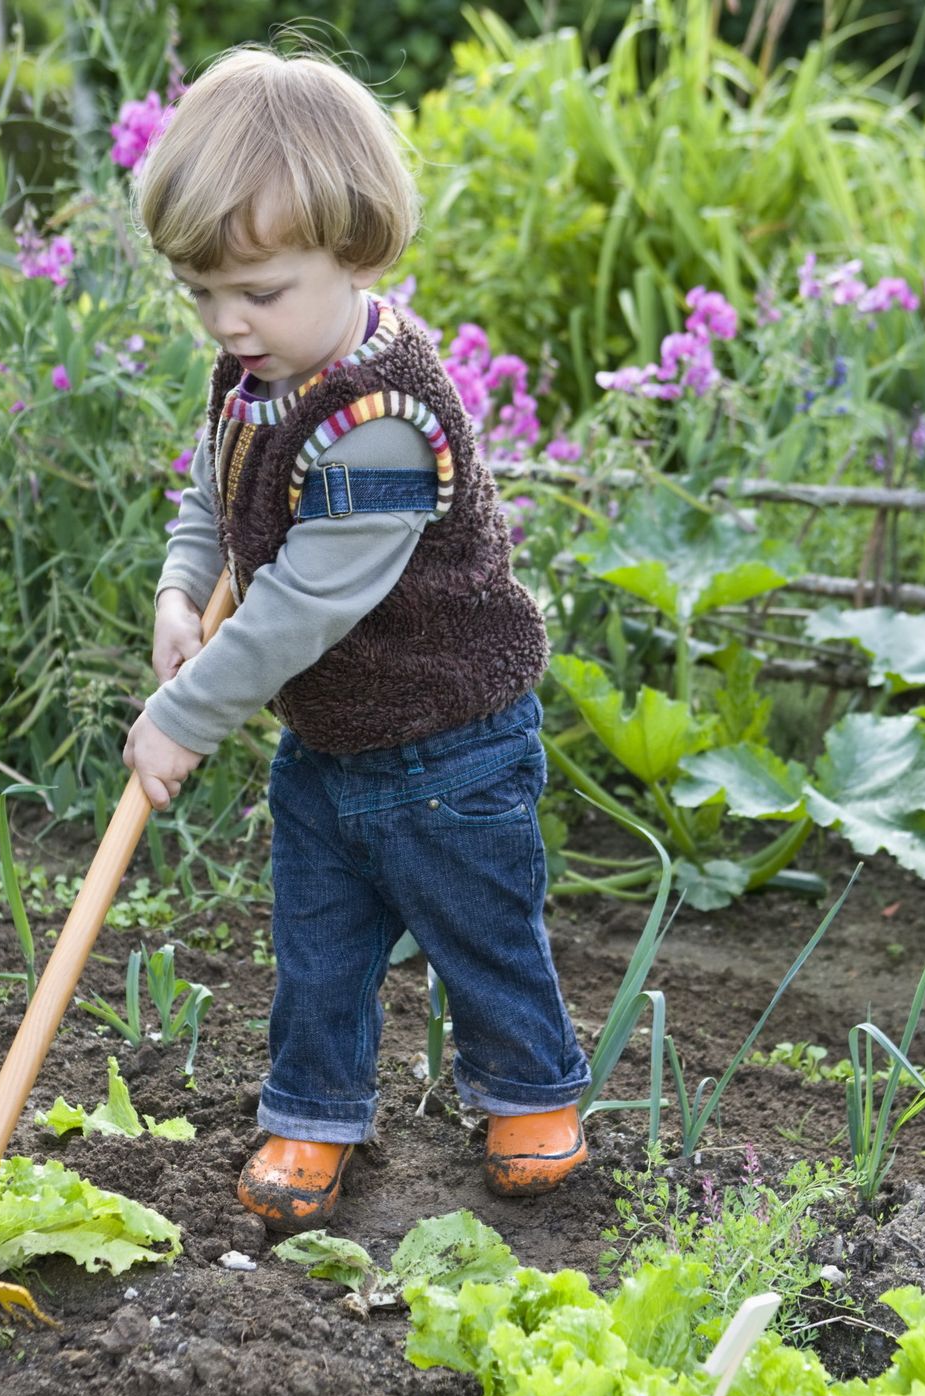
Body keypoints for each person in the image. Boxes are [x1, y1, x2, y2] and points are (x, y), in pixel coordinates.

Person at [123, 46, 589, 1230]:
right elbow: (215, 500)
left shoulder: (382, 421)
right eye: (200, 293)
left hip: (450, 748)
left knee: (480, 935)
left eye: (259, 291)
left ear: (353, 250)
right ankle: (312, 1116)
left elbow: (303, 602)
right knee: (317, 952)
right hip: (330, 748)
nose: (226, 322)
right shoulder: (256, 373)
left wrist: (183, 716)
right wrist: (181, 592)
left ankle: (529, 1094)